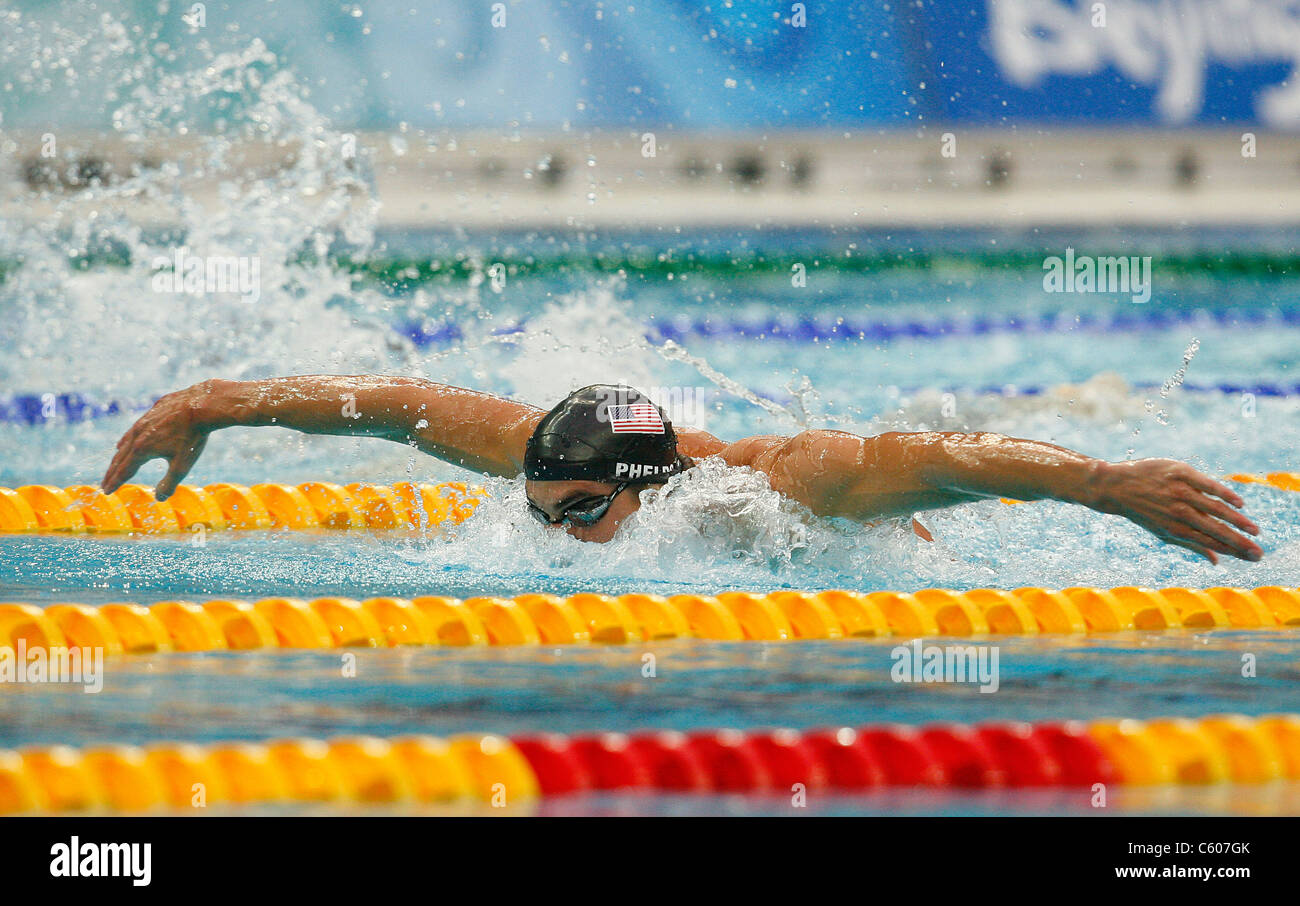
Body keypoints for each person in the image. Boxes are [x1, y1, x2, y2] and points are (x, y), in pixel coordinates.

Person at [101, 375, 1263, 562]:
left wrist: (1107, 485)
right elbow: (388, 408)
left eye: (580, 518)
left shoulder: (788, 485)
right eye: (543, 516)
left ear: (646, 489)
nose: (555, 539)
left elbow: (941, 458)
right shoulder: (552, 449)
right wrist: (215, 404)